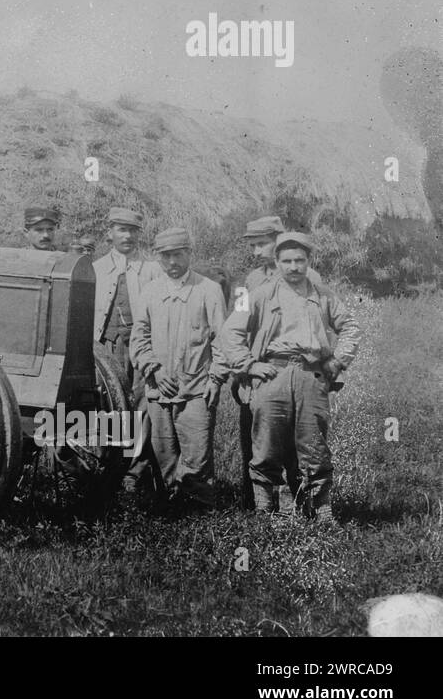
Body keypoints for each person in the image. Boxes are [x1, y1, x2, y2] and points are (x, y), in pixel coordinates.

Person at [220, 232, 360, 522]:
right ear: (277, 261)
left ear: (309, 261)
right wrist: (248, 365)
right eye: (287, 261)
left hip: (311, 375)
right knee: (266, 442)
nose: (294, 267)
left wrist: (337, 361)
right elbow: (230, 331)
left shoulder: (323, 294)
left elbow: (351, 327)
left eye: (300, 260)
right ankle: (264, 509)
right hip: (273, 375)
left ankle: (320, 510)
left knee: (313, 442)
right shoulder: (258, 294)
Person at [129, 228, 229, 510]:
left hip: (196, 390)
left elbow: (222, 340)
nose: (172, 262)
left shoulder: (208, 290)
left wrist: (216, 379)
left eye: (178, 254)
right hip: (159, 390)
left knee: (197, 460)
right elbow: (139, 339)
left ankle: (200, 518)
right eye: (166, 256)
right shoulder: (150, 292)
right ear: (158, 258)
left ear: (189, 254)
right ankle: (173, 517)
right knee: (165, 457)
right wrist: (155, 371)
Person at [232, 216, 321, 509]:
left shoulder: (312, 279)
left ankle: (303, 503)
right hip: (262, 372)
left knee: (299, 440)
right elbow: (237, 329)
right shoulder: (251, 281)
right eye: (253, 245)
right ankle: (259, 504)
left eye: (262, 244)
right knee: (259, 437)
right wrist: (242, 371)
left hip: (298, 372)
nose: (256, 252)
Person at [91, 206, 161, 491]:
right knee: (109, 405)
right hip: (106, 347)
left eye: (133, 230)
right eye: (122, 229)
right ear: (110, 233)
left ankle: (136, 473)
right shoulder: (96, 269)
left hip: (140, 347)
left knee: (141, 405)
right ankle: (110, 468)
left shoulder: (151, 270)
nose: (128, 236)